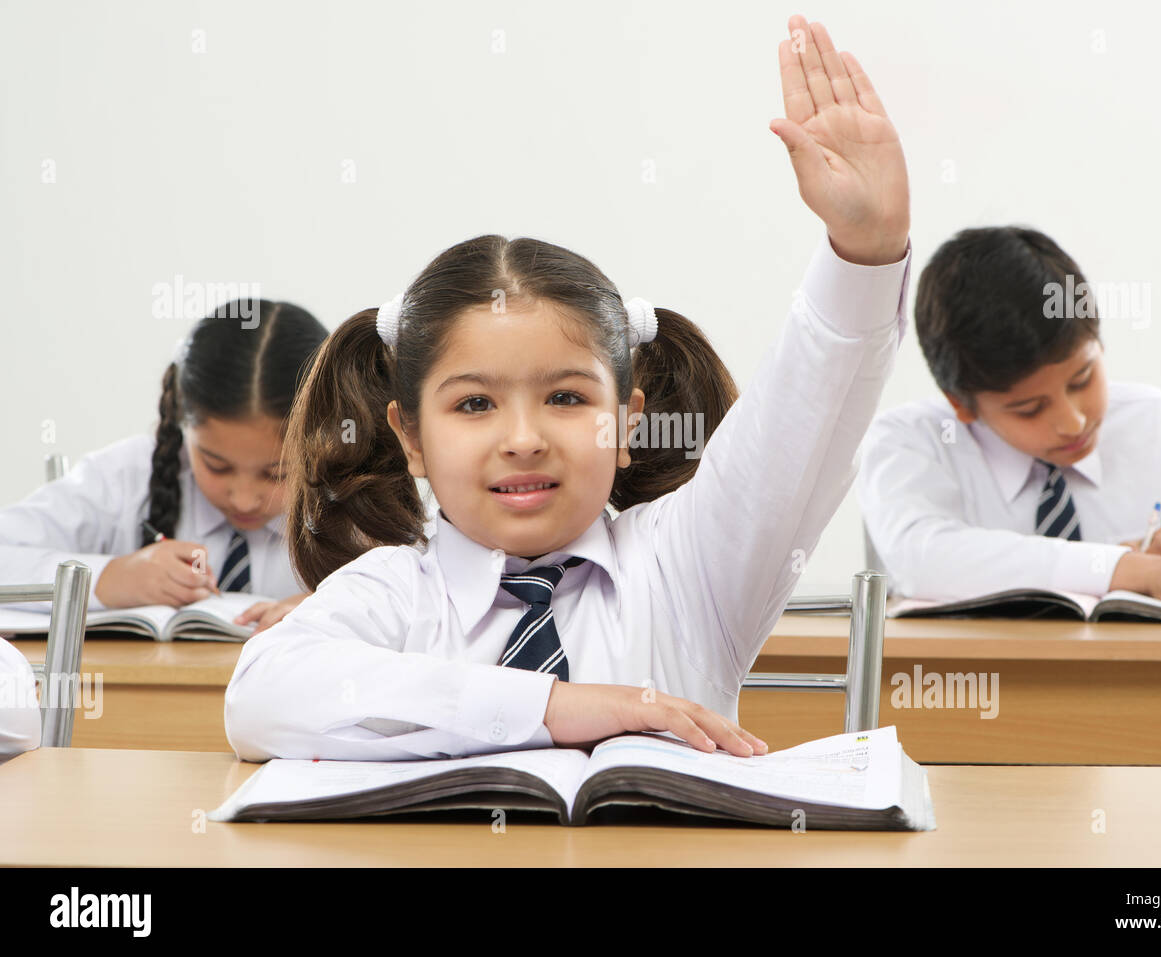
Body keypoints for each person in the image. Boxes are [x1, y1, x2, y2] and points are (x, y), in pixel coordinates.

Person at [224, 16, 913, 761]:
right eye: (475, 404)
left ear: (626, 423)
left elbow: (804, 417)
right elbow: (261, 697)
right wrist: (555, 706)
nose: (523, 437)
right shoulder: (392, 590)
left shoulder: (692, 563)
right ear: (411, 437)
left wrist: (865, 251)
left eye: (566, 398)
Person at [857, 225, 1161, 611]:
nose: (1073, 421)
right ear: (962, 405)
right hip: (967, 683)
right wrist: (1121, 569)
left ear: (1098, 342)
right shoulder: (910, 442)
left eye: (1083, 379)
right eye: (1030, 409)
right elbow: (925, 562)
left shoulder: (1160, 426)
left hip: (1142, 681)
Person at [0, 299, 329, 632]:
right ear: (184, 423)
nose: (244, 499)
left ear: (325, 437)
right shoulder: (126, 477)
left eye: (277, 473)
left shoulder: (359, 492)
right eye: (216, 466)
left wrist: (344, 603)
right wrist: (109, 578)